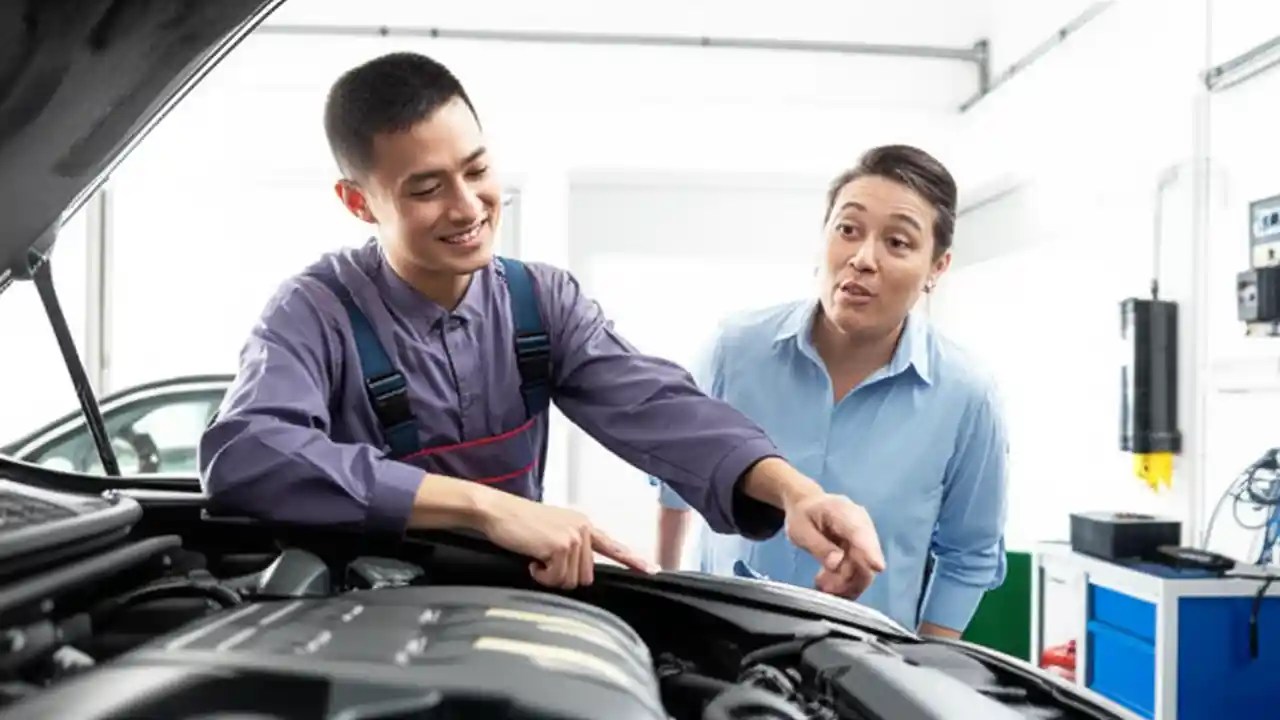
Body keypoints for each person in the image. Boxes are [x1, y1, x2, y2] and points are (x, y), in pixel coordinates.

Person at [198, 51, 886, 596]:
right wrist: (486, 509)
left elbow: (659, 407)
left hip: (512, 604)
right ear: (357, 202)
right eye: (427, 188)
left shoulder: (540, 303)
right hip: (361, 624)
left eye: (478, 169)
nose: (468, 207)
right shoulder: (314, 311)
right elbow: (246, 455)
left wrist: (797, 492)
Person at [653, 145, 1008, 638]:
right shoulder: (734, 349)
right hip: (717, 645)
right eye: (848, 230)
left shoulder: (967, 394)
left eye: (898, 243)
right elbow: (675, 483)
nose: (862, 259)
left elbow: (969, 555)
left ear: (937, 268)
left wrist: (924, 669)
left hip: (868, 666)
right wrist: (664, 611)